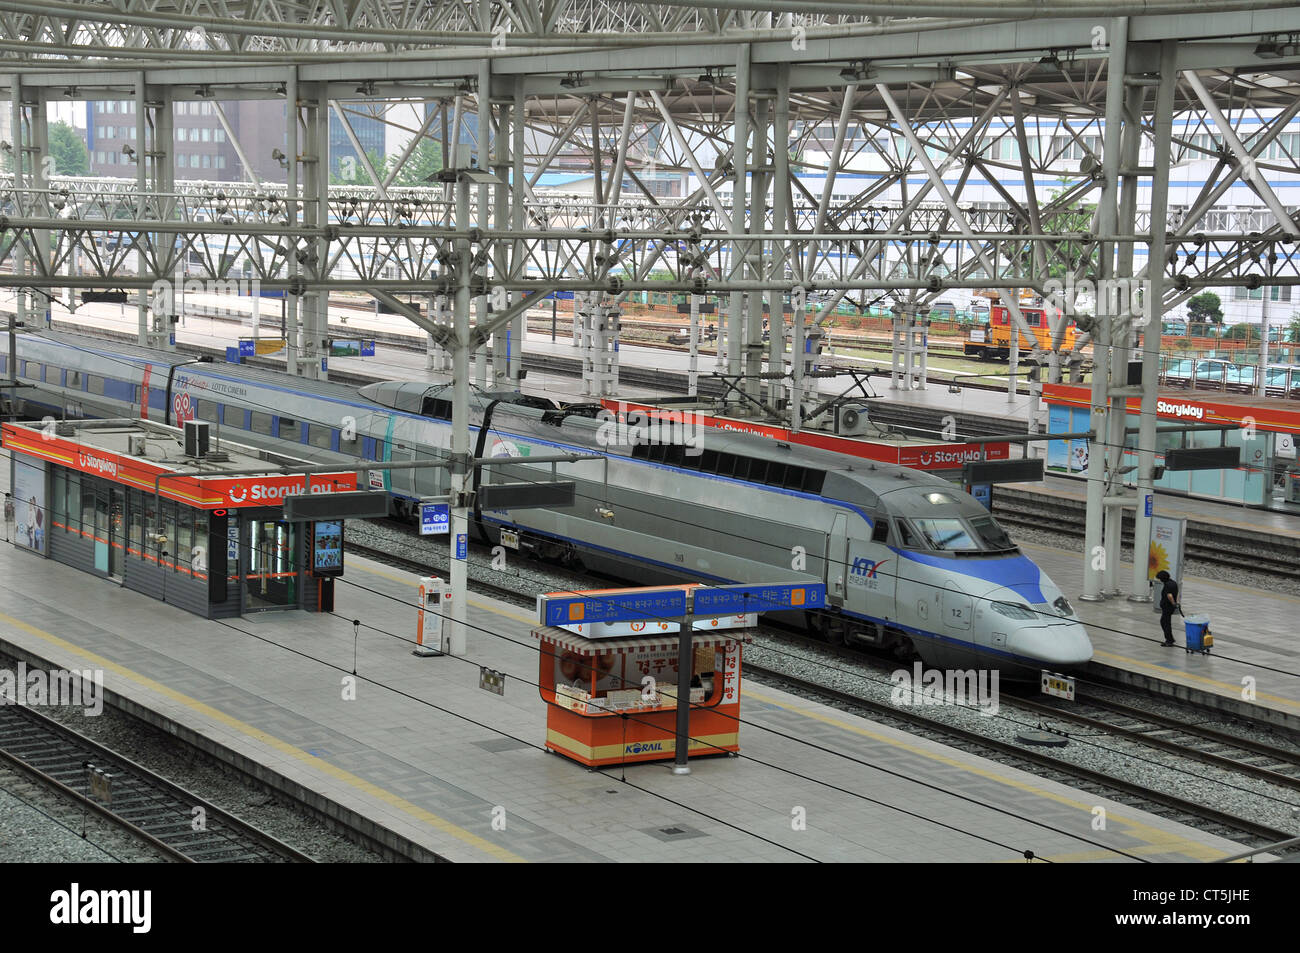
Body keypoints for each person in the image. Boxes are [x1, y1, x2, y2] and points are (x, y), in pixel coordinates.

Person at [1155, 570, 1180, 646]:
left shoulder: (1168, 585)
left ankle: (1169, 640)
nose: (1160, 580)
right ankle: (1170, 639)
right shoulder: (1173, 582)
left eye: (1160, 578)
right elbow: (1176, 593)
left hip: (1167, 607)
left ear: (1163, 578)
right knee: (1165, 622)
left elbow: (1169, 595)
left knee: (1165, 623)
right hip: (1169, 607)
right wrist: (1176, 602)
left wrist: (1173, 603)